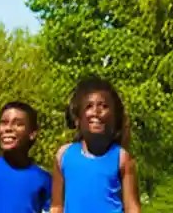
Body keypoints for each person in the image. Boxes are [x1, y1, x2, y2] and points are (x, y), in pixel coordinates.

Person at [51, 77, 140, 213]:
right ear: (77, 118)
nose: (96, 111)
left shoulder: (122, 158)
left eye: (104, 106)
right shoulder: (64, 155)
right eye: (89, 106)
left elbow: (132, 207)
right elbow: (57, 206)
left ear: (115, 117)